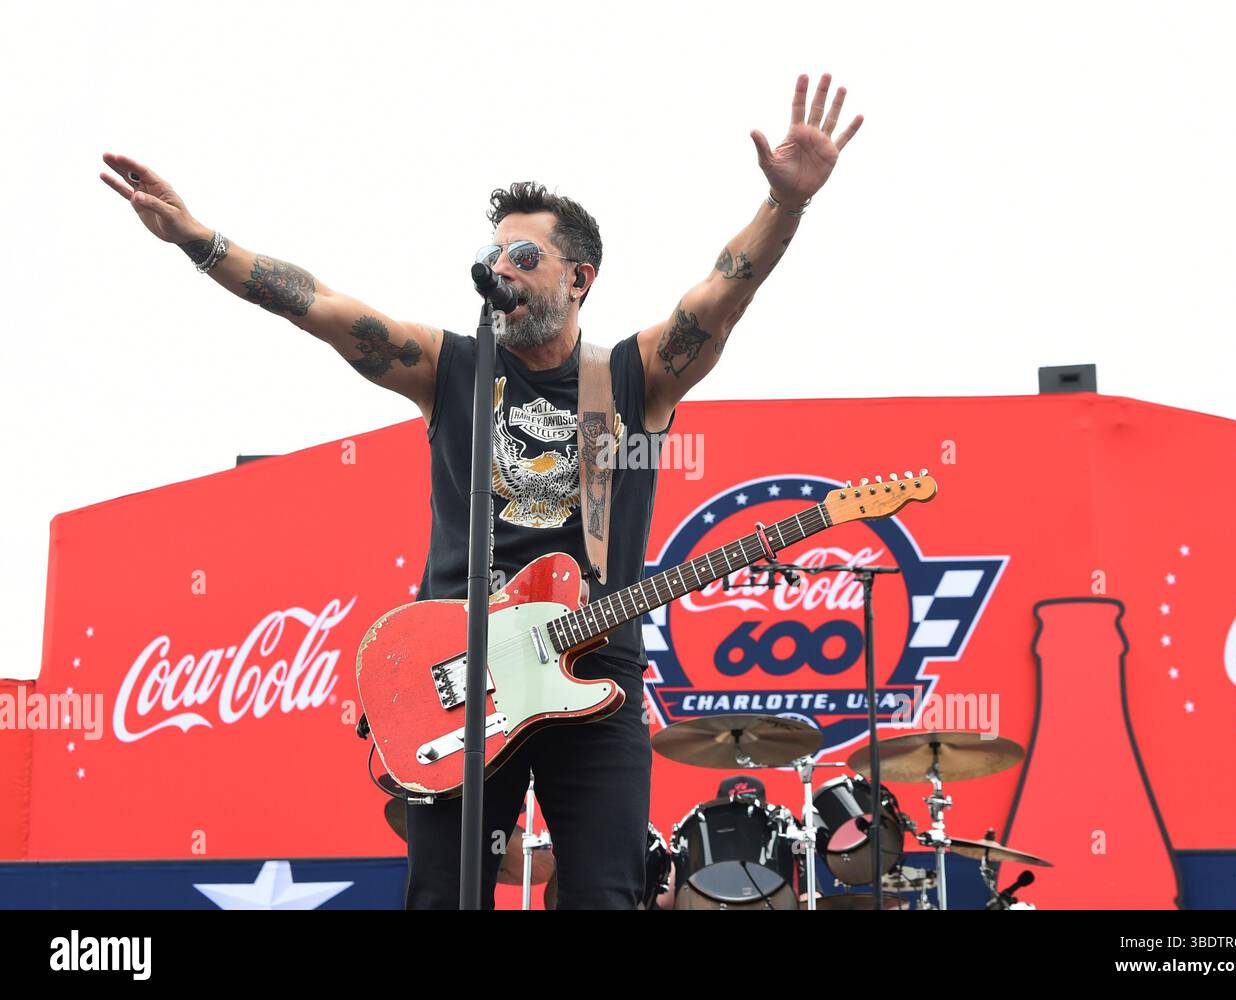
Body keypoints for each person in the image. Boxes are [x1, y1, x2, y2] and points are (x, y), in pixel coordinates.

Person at [100, 72, 863, 909]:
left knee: (605, 895)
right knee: (441, 895)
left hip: (594, 667)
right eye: (495, 252)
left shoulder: (635, 378)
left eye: (525, 255)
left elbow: (722, 298)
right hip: (456, 667)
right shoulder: (451, 367)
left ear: (580, 278)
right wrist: (199, 241)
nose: (503, 265)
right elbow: (316, 305)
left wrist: (783, 206)